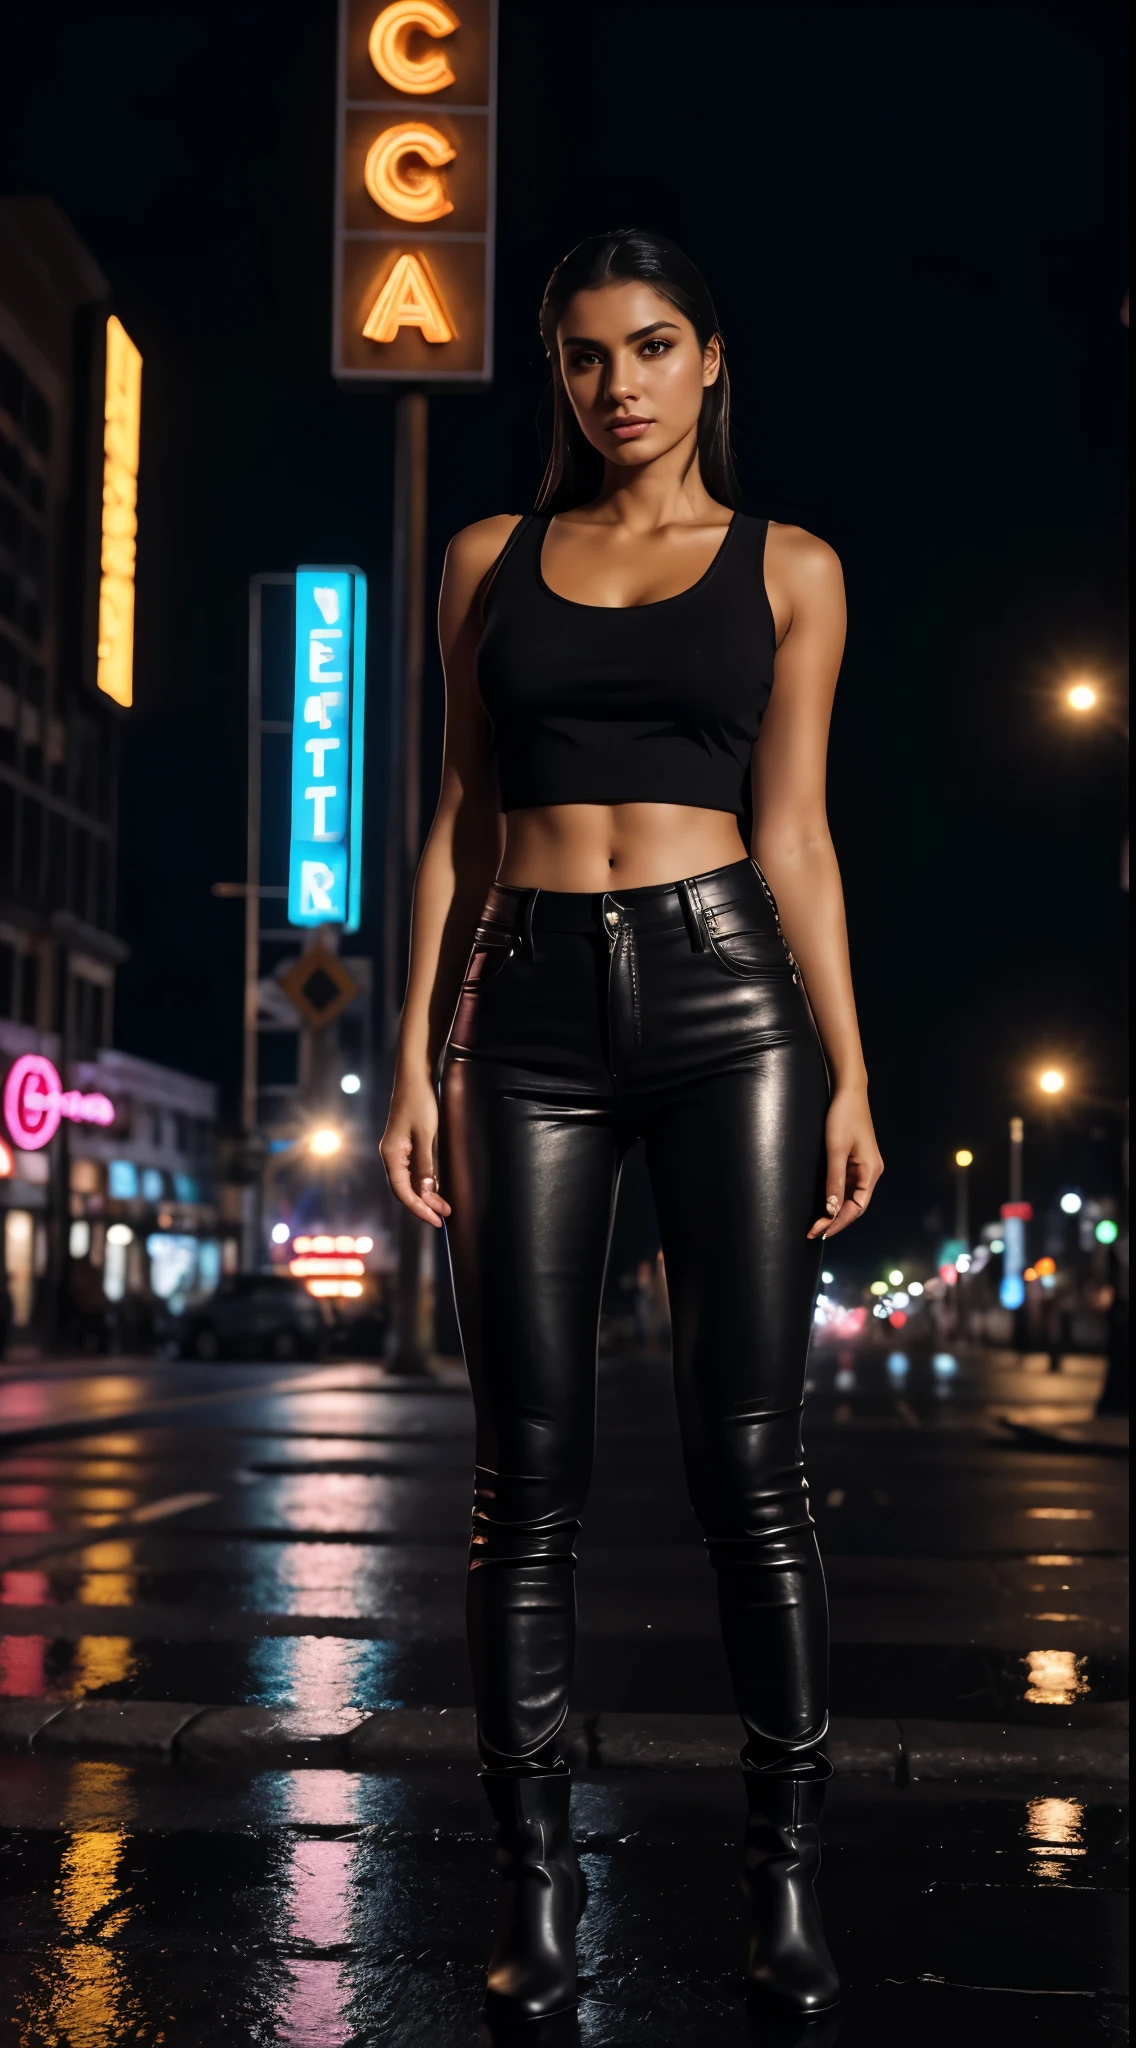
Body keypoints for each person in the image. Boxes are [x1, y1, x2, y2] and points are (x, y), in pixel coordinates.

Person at [381, 227, 884, 2029]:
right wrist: (419, 1053)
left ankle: (787, 1879)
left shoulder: (792, 568)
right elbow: (451, 813)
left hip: (728, 994)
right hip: (517, 1008)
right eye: (588, 357)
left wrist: (851, 1070)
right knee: (525, 1478)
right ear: (562, 376)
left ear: (710, 361)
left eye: (653, 349)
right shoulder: (483, 562)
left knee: (748, 1463)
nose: (620, 386)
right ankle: (537, 1889)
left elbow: (803, 833)